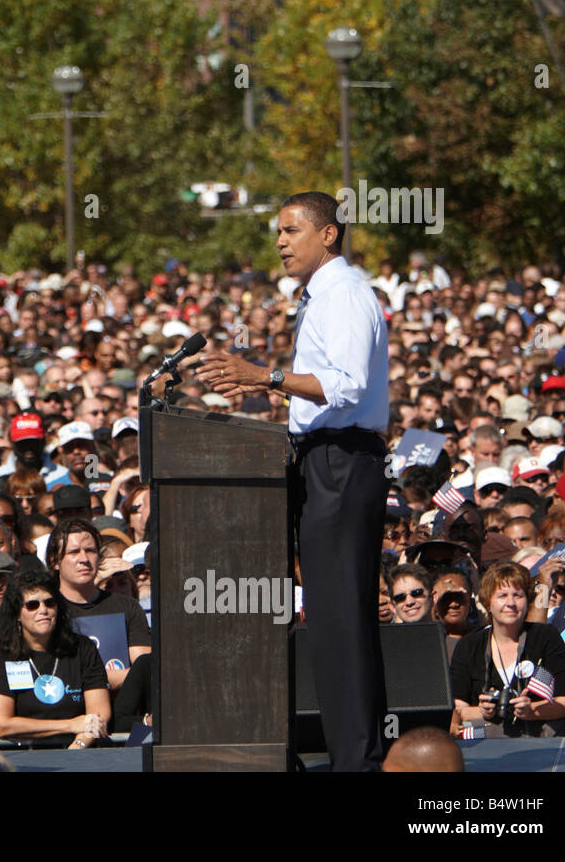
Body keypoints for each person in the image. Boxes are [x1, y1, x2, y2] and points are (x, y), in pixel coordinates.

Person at [191, 191, 390, 771]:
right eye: (276, 232)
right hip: (320, 459)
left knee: (343, 618)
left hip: (342, 462)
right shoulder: (320, 298)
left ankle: (358, 760)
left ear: (328, 234)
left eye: (289, 230)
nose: (279, 242)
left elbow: (347, 386)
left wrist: (266, 375)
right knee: (331, 617)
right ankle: (353, 753)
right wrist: (263, 384)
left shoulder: (347, 295)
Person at [450, 562, 565, 738]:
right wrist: (482, 711)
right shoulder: (470, 644)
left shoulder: (545, 637)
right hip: (486, 748)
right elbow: (457, 709)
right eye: (502, 596)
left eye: (518, 595)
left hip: (538, 746)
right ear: (488, 603)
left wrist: (531, 710)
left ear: (527, 600)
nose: (510, 603)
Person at [0, 570, 110, 748]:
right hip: (25, 755)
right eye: (32, 605)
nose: (43, 610)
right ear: (17, 613)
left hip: (80, 751)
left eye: (50, 603)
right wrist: (69, 725)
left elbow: (99, 714)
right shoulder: (5, 655)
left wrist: (78, 745)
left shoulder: (82, 648)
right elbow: (2, 725)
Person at [44, 519, 149, 689]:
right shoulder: (46, 610)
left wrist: (84, 677)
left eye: (90, 550)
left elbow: (145, 668)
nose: (84, 559)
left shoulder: (127, 606)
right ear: (55, 561)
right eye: (74, 552)